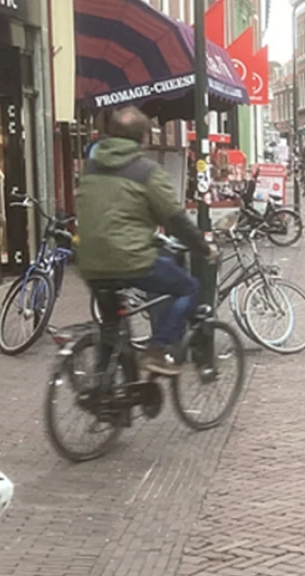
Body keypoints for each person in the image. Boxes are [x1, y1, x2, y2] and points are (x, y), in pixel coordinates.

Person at [75, 106, 214, 376]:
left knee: (112, 329)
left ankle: (104, 388)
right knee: (187, 288)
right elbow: (175, 218)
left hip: (88, 261)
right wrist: (203, 247)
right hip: (129, 258)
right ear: (144, 138)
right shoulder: (146, 171)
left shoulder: (90, 166)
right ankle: (157, 350)